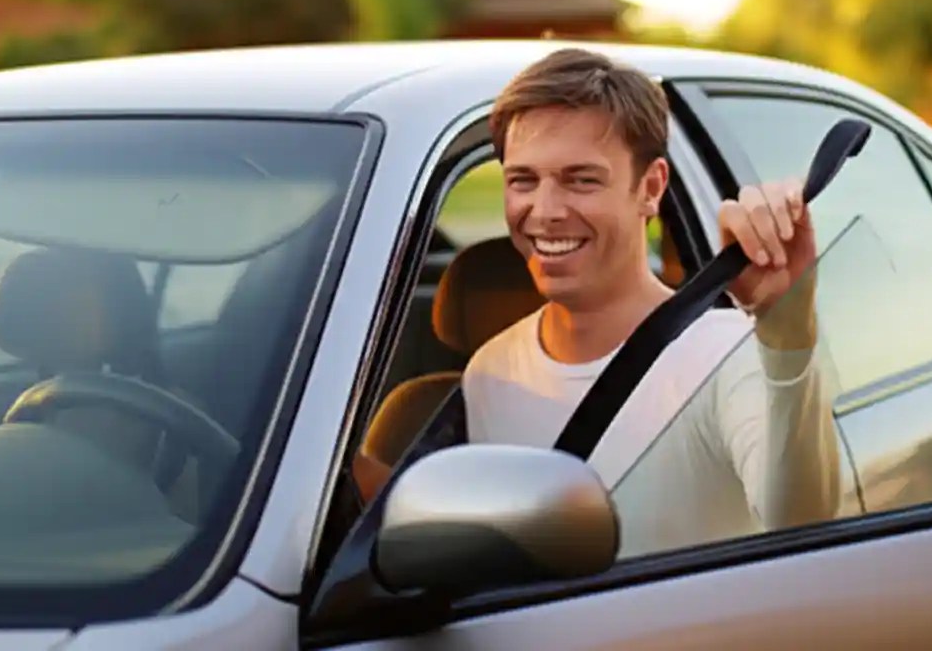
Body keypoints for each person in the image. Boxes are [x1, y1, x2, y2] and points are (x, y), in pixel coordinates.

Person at [359, 48, 839, 557]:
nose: (544, 212)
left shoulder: (725, 354)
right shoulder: (490, 374)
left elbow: (802, 524)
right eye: (523, 180)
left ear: (650, 189)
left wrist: (787, 333)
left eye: (581, 180)